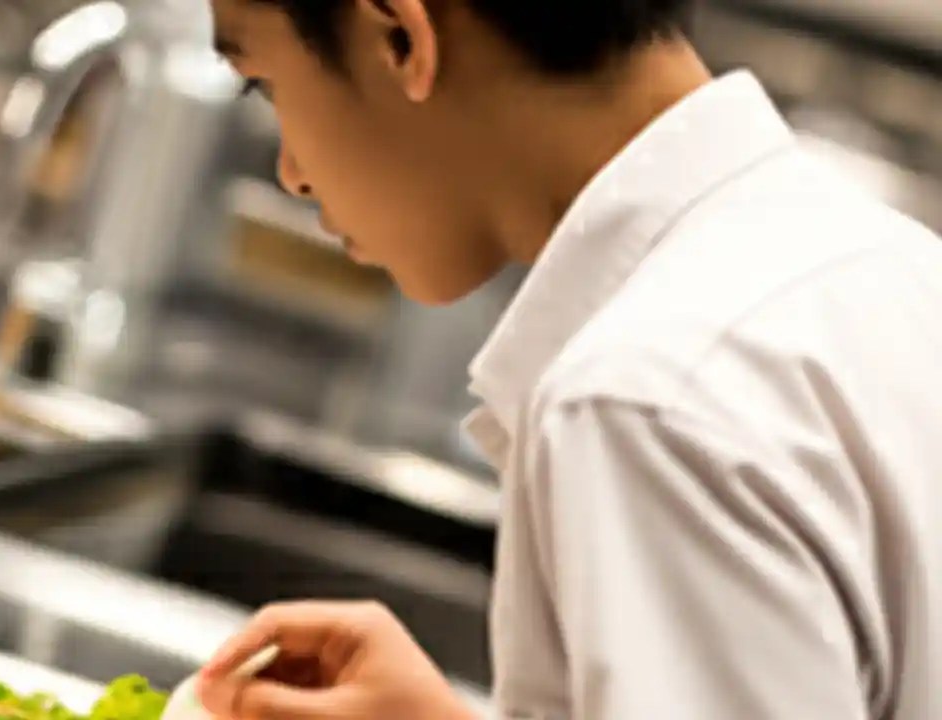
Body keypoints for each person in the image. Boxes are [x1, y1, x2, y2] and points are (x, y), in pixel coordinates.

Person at [197, 1, 942, 719]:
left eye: (264, 83)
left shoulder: (646, 401)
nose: (291, 173)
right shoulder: (891, 265)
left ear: (399, 35)